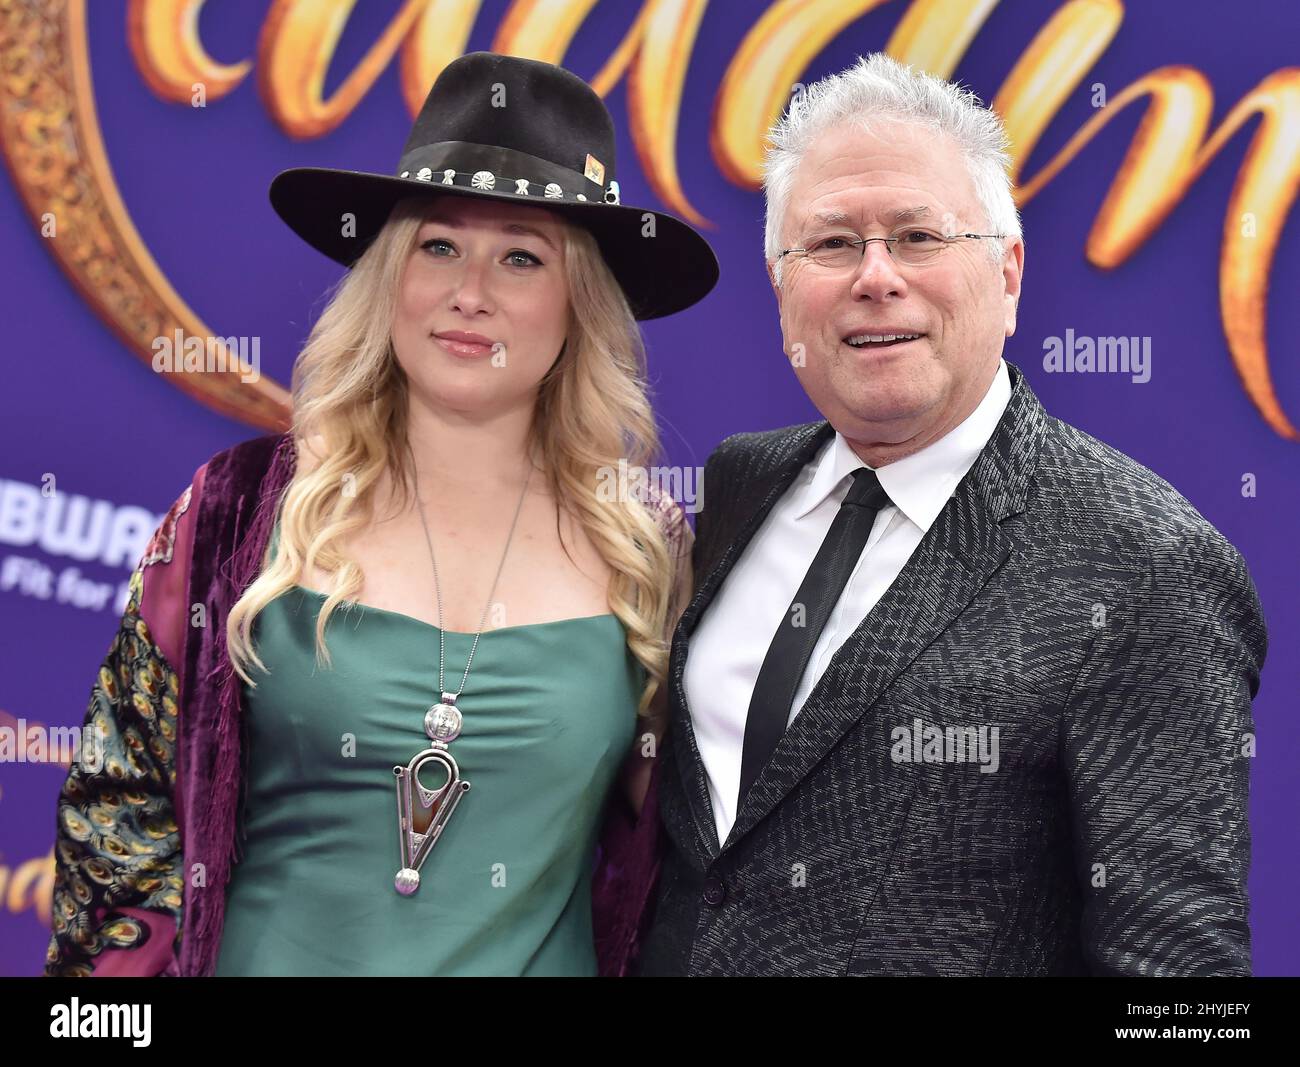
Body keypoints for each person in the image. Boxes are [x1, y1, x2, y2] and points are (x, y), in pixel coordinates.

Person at [45, 51, 717, 977]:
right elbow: (116, 821)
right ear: (390, 273)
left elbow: (689, 870)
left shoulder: (652, 552)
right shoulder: (238, 512)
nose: (467, 291)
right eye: (438, 244)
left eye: (521, 256)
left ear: (580, 306)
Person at [637, 52, 1267, 976]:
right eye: (831, 243)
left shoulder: (1148, 563)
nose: (875, 276)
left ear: (1009, 274)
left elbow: (1183, 979)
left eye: (920, 236)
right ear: (781, 288)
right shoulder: (739, 485)